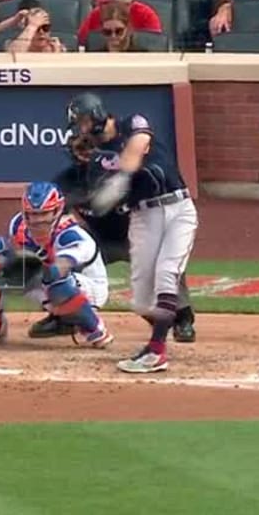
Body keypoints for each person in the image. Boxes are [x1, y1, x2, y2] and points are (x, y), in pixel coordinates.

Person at [65, 92, 199, 373]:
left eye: (84, 123)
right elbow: (100, 196)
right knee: (141, 301)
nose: (82, 130)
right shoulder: (97, 161)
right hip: (142, 217)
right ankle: (165, 322)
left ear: (97, 115)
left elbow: (138, 146)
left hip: (177, 207)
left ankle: (156, 350)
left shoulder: (132, 123)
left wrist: (121, 177)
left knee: (167, 273)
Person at [0, 181, 113, 348]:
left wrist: (35, 268)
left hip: (89, 288)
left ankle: (94, 329)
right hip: (45, 284)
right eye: (32, 214)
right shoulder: (18, 225)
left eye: (44, 214)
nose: (37, 220)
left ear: (56, 211)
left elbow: (60, 268)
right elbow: (13, 255)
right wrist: (5, 259)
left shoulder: (70, 235)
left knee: (53, 278)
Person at [77, 0, 160, 44]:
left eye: (105, 2)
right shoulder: (96, 14)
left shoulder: (146, 15)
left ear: (124, 4)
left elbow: (155, 45)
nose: (99, 5)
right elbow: (81, 41)